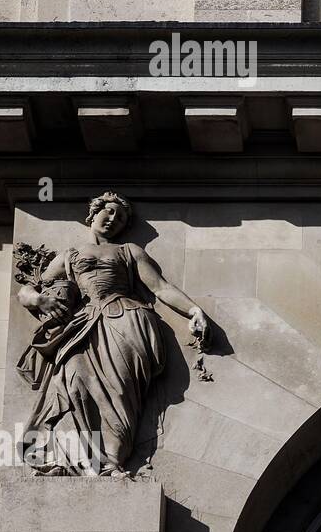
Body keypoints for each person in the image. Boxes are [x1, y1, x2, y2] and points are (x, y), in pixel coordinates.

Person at [16, 192, 208, 476]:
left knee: (120, 392)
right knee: (73, 382)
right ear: (92, 215)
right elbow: (29, 290)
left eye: (120, 217)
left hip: (125, 322)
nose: (113, 219)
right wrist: (39, 300)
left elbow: (160, 288)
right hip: (84, 326)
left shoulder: (129, 251)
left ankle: (111, 461)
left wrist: (193, 310)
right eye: (108, 212)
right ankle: (75, 459)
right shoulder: (70, 254)